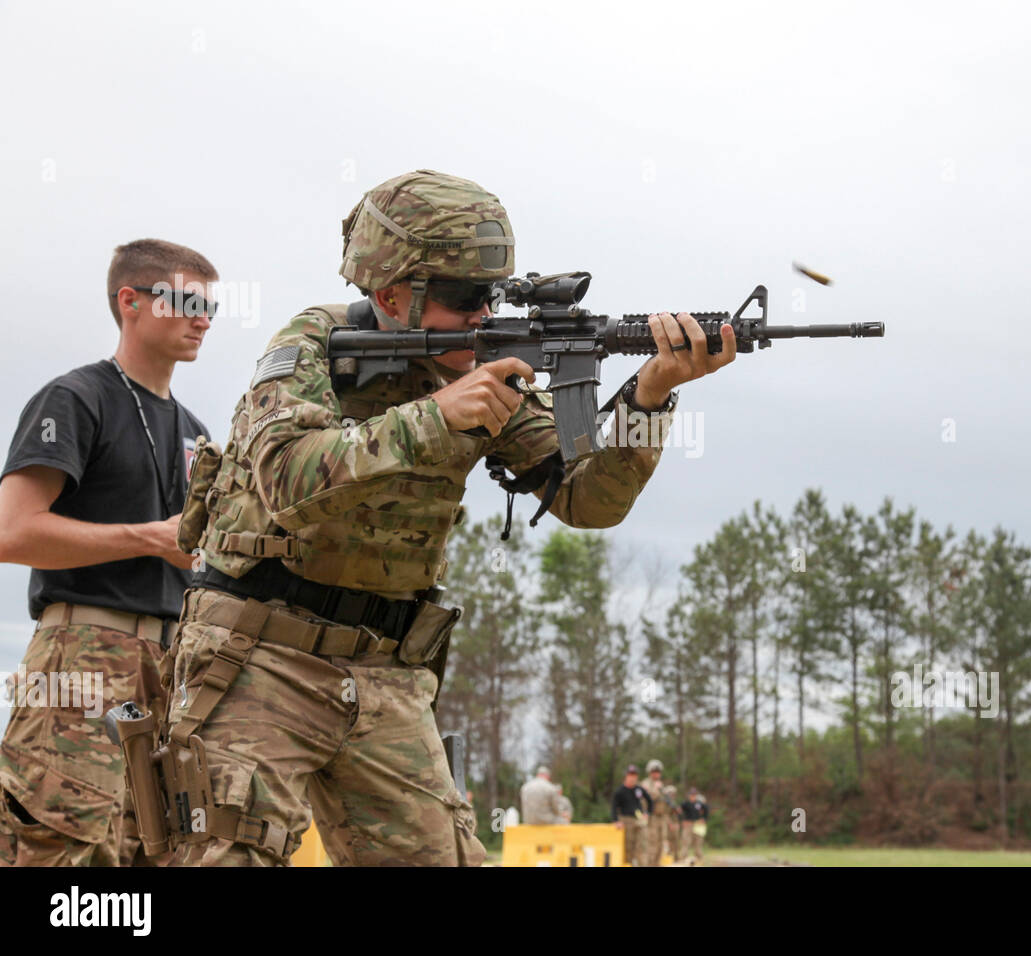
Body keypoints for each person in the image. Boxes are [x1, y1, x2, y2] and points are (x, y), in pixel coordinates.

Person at [161, 169, 737, 866]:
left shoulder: (482, 368)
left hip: (386, 670)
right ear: (390, 295)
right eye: (464, 297)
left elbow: (589, 499)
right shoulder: (316, 343)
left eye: (492, 295)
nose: (482, 316)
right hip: (257, 655)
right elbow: (286, 476)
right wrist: (437, 416)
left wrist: (650, 396)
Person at [0, 239, 218, 866]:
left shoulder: (197, 433)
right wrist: (149, 537)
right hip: (81, 652)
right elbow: (14, 532)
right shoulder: (75, 399)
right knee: (54, 843)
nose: (202, 319)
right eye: (186, 302)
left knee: (148, 851)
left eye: (211, 307)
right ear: (131, 302)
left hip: (171, 665)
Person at [611, 764, 651, 867]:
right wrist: (616, 820)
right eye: (630, 775)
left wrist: (647, 813)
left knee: (642, 846)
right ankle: (628, 864)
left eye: (634, 775)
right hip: (625, 820)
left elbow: (650, 801)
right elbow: (613, 807)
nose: (632, 777)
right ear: (626, 776)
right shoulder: (620, 791)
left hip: (639, 820)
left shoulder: (639, 789)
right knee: (628, 847)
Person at [640, 758, 671, 866]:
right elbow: (645, 800)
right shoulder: (646, 784)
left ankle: (657, 864)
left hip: (661, 818)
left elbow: (666, 803)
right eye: (654, 771)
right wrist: (656, 791)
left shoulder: (660, 785)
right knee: (651, 844)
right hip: (652, 818)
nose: (656, 774)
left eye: (658, 772)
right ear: (650, 772)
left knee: (661, 844)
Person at [679, 787, 709, 864]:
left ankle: (699, 859)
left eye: (694, 795)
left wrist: (704, 819)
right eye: (691, 794)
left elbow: (706, 810)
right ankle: (683, 858)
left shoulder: (699, 803)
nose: (693, 796)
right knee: (685, 841)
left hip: (697, 824)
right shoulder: (685, 803)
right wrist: (682, 820)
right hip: (688, 824)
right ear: (689, 795)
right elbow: (679, 811)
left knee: (698, 842)